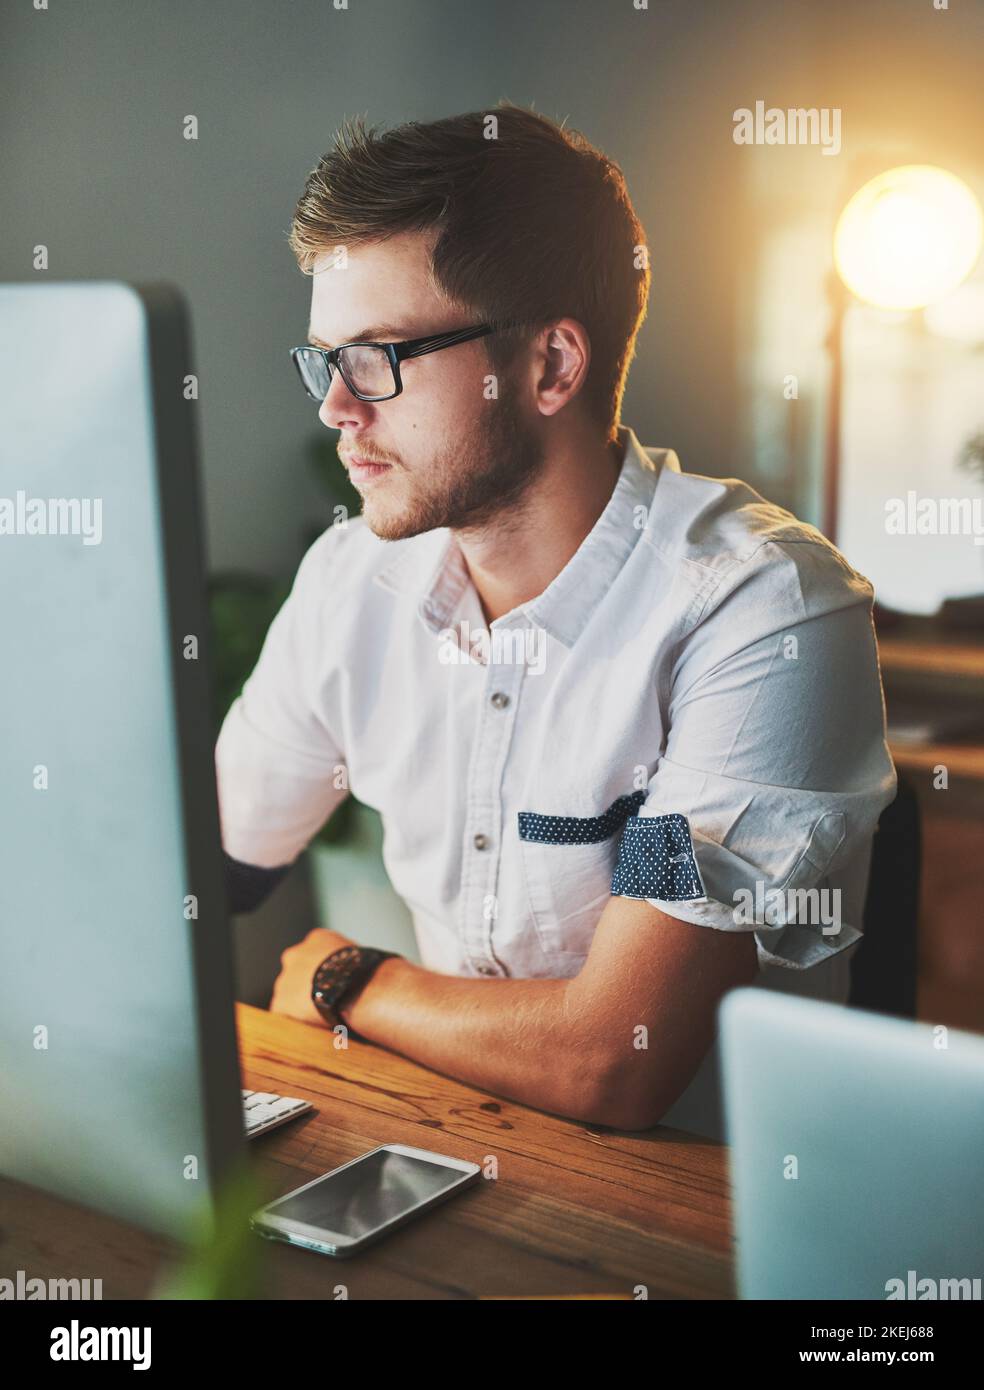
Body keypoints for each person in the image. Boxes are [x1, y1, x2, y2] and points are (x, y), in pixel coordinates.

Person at [215, 102, 896, 1138]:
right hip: (463, 1160)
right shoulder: (353, 580)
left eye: (379, 358)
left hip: (704, 1231)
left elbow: (609, 1059)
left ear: (550, 367)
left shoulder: (761, 610)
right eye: (325, 360)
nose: (336, 410)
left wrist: (351, 978)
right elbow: (211, 866)